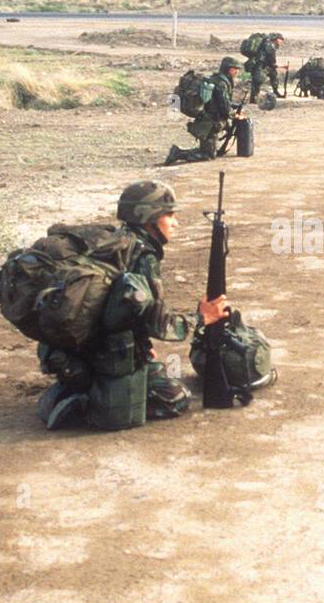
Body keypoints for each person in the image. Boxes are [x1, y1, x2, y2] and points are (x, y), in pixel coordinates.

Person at [37, 181, 230, 431]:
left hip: (68, 350)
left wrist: (141, 343)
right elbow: (159, 323)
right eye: (168, 214)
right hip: (103, 355)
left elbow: (120, 307)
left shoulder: (112, 241)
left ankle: (79, 385)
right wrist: (202, 318)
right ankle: (86, 404)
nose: (175, 222)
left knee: (148, 364)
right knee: (176, 397)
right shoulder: (143, 256)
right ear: (148, 218)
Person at [165, 57, 246, 165]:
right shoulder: (221, 84)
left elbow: (219, 101)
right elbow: (224, 107)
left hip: (209, 120)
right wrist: (235, 115)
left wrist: (234, 107)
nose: (237, 72)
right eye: (235, 69)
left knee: (209, 151)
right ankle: (178, 153)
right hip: (209, 123)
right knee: (207, 155)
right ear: (229, 69)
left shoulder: (217, 79)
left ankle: (180, 152)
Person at [246, 32, 284, 103]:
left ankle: (275, 92)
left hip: (264, 65)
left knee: (274, 75)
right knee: (257, 81)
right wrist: (274, 65)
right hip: (259, 64)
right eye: (281, 40)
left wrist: (273, 65)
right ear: (276, 39)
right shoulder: (269, 45)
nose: (281, 42)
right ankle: (253, 98)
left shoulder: (269, 44)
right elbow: (270, 57)